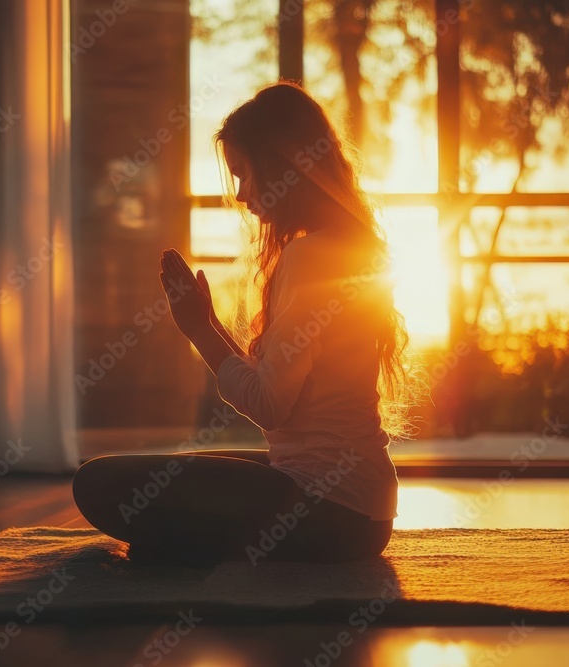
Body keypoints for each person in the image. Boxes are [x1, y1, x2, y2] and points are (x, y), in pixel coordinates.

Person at [73, 81, 412, 566]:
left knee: (96, 481)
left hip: (329, 513)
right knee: (164, 476)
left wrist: (199, 331)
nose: (240, 194)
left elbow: (270, 405)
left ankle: (191, 549)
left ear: (280, 166)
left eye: (243, 173)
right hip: (362, 512)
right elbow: (279, 388)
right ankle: (197, 544)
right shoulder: (345, 246)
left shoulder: (310, 256)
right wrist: (208, 322)